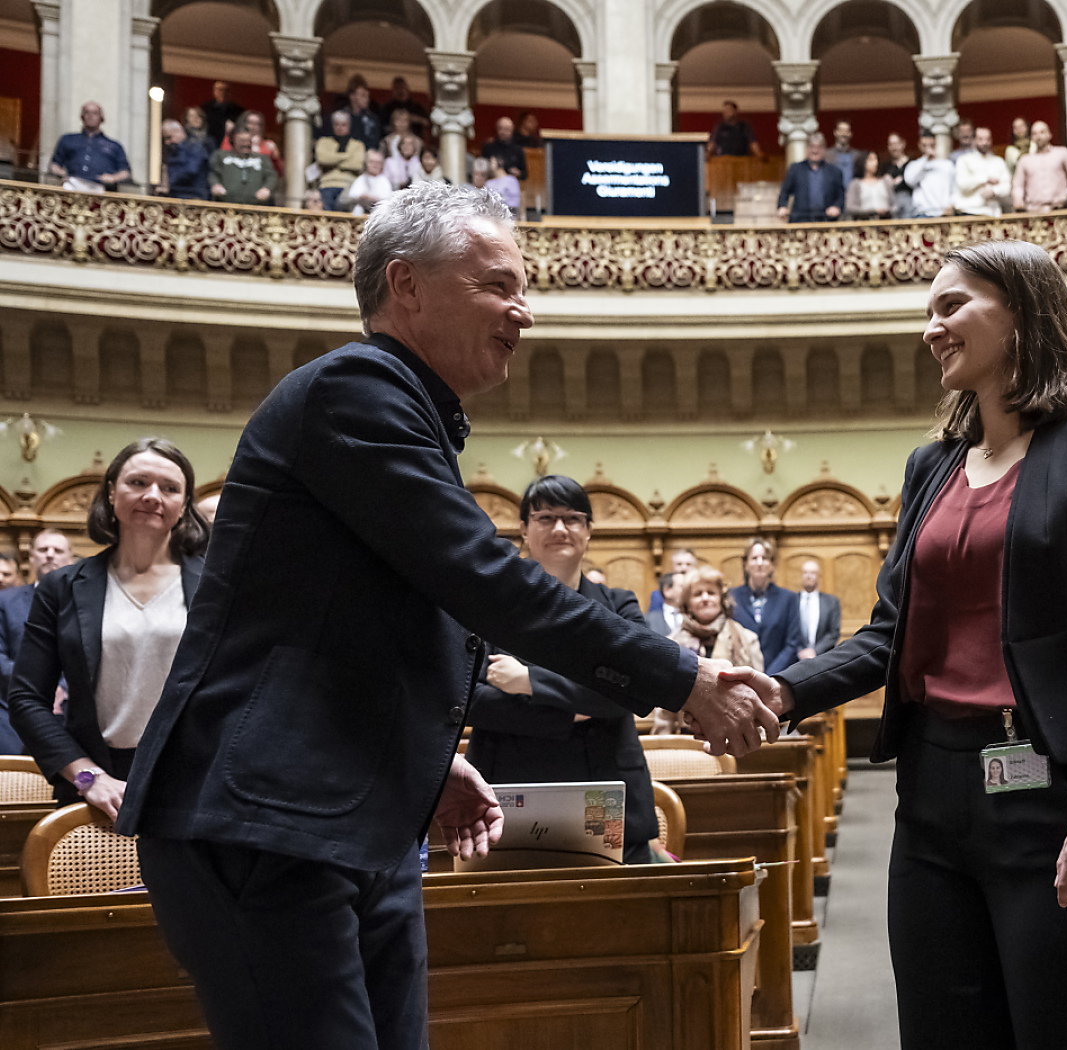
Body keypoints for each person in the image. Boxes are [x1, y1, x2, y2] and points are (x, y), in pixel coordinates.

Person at [116, 183, 777, 1050]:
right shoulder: (355, 390)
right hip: (265, 821)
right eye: (498, 286)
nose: (524, 313)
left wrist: (421, 764)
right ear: (408, 285)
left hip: (353, 817)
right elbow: (485, 582)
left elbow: (360, 627)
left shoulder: (409, 415)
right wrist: (682, 677)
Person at [724, 239, 1067, 1049]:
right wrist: (785, 691)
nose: (931, 329)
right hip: (932, 796)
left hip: (1052, 792)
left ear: (1022, 312)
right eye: (928, 312)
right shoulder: (930, 466)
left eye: (951, 307)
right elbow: (890, 636)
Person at [465, 475, 662, 864]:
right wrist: (574, 709)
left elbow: (639, 688)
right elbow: (468, 698)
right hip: (510, 790)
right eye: (545, 518)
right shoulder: (487, 608)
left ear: (588, 531)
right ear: (523, 529)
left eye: (572, 518)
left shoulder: (619, 606)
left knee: (620, 918)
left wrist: (529, 682)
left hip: (604, 787)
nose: (559, 529)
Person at [8, 439, 209, 811]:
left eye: (169, 488)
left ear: (183, 507)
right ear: (112, 494)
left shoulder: (216, 585)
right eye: (138, 482)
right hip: (97, 785)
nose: (153, 495)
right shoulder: (62, 587)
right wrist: (89, 778)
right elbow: (27, 699)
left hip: (195, 783)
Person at [656, 566, 766, 734]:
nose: (705, 598)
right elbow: (664, 703)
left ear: (721, 600)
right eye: (697, 594)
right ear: (687, 603)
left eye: (711, 593)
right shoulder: (672, 643)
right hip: (688, 737)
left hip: (736, 734)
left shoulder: (746, 639)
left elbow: (759, 695)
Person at [0, 529, 74, 753]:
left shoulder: (88, 604)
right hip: (10, 714)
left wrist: (62, 688)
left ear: (70, 559)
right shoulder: (6, 600)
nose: (50, 555)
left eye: (57, 550)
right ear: (31, 557)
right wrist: (38, 683)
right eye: (43, 549)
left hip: (70, 715)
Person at [730, 538, 804, 675]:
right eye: (754, 558)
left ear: (772, 565)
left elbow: (792, 644)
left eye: (764, 558)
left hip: (778, 677)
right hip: (739, 676)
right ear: (746, 564)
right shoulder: (732, 597)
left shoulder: (789, 598)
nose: (759, 563)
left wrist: (769, 676)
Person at [49, 101, 130, 193]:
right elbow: (54, 164)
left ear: (101, 118)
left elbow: (125, 172)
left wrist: (113, 178)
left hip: (101, 190)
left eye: (95, 113)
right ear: (82, 117)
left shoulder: (114, 146)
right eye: (87, 112)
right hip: (71, 187)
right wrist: (61, 173)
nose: (90, 116)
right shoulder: (67, 139)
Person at [1011, 121, 1067, 213]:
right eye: (1035, 134)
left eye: (1042, 132)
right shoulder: (1025, 160)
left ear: (1049, 135)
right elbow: (1018, 185)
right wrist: (1018, 200)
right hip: (1033, 210)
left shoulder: (1062, 153)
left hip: (1059, 209)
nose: (1038, 136)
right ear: (1031, 137)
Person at [777, 135, 843, 223]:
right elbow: (784, 192)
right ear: (807, 148)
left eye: (819, 147)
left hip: (826, 221)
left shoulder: (834, 171)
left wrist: (836, 207)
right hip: (800, 221)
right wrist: (782, 207)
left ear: (824, 150)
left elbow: (840, 195)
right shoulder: (795, 169)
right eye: (812, 146)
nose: (815, 150)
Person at [208, 129, 278, 206]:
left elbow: (271, 176)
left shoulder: (262, 159)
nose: (246, 144)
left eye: (249, 141)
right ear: (233, 141)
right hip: (226, 207)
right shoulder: (221, 156)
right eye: (242, 141)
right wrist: (216, 185)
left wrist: (267, 188)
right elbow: (214, 174)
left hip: (256, 208)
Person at [953, 127, 1010, 217]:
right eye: (981, 139)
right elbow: (963, 184)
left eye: (987, 139)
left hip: (993, 213)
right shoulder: (964, 160)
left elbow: (1007, 187)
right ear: (974, 140)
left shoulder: (998, 162)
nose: (984, 143)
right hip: (969, 211)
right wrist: (985, 179)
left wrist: (994, 191)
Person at [315, 110, 366, 210]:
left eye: (343, 125)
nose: (340, 128)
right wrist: (347, 156)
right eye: (337, 124)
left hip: (349, 186)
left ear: (349, 126)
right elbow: (323, 159)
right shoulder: (323, 142)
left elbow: (357, 165)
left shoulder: (358, 145)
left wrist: (333, 161)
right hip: (327, 185)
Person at [903, 131, 956, 218]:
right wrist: (925, 159)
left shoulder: (947, 165)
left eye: (931, 145)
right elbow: (909, 180)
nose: (928, 149)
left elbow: (954, 188)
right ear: (919, 146)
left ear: (936, 145)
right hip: (923, 213)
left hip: (943, 213)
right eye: (924, 146)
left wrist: (951, 204)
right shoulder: (914, 165)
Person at [796, 559, 841, 659]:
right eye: (805, 572)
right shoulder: (791, 601)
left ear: (818, 576)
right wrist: (799, 652)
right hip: (795, 659)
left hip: (823, 657)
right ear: (801, 576)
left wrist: (815, 651)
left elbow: (834, 633)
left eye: (812, 573)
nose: (808, 576)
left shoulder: (831, 602)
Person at [221, 111, 283, 177]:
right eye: (250, 123)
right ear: (243, 124)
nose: (253, 127)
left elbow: (279, 172)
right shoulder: (231, 141)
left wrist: (275, 156)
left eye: (257, 124)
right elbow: (224, 160)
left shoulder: (267, 145)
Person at [160, 120, 209, 201]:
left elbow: (191, 171)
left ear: (179, 132)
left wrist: (169, 181)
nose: (167, 142)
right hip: (175, 196)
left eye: (169, 137)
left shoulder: (195, 147)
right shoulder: (172, 150)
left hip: (193, 196)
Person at [844, 150, 895, 220]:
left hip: (885, 225)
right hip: (864, 225)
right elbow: (850, 207)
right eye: (871, 160)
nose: (875, 163)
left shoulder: (884, 182)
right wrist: (872, 211)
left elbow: (894, 205)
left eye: (876, 159)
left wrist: (887, 211)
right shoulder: (855, 184)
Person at [343, 150, 393, 215]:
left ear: (382, 165)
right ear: (366, 163)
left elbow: (387, 200)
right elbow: (352, 197)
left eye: (378, 163)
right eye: (371, 162)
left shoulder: (384, 181)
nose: (375, 165)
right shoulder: (360, 179)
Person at [881, 132, 914, 218]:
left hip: (909, 204)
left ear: (902, 144)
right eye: (890, 145)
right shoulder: (886, 167)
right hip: (891, 206)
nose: (893, 148)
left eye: (895, 144)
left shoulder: (911, 164)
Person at [825, 120, 856, 189]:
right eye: (841, 131)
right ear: (835, 132)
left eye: (846, 131)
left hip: (851, 195)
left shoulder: (856, 156)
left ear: (850, 134)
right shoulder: (827, 155)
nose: (843, 134)